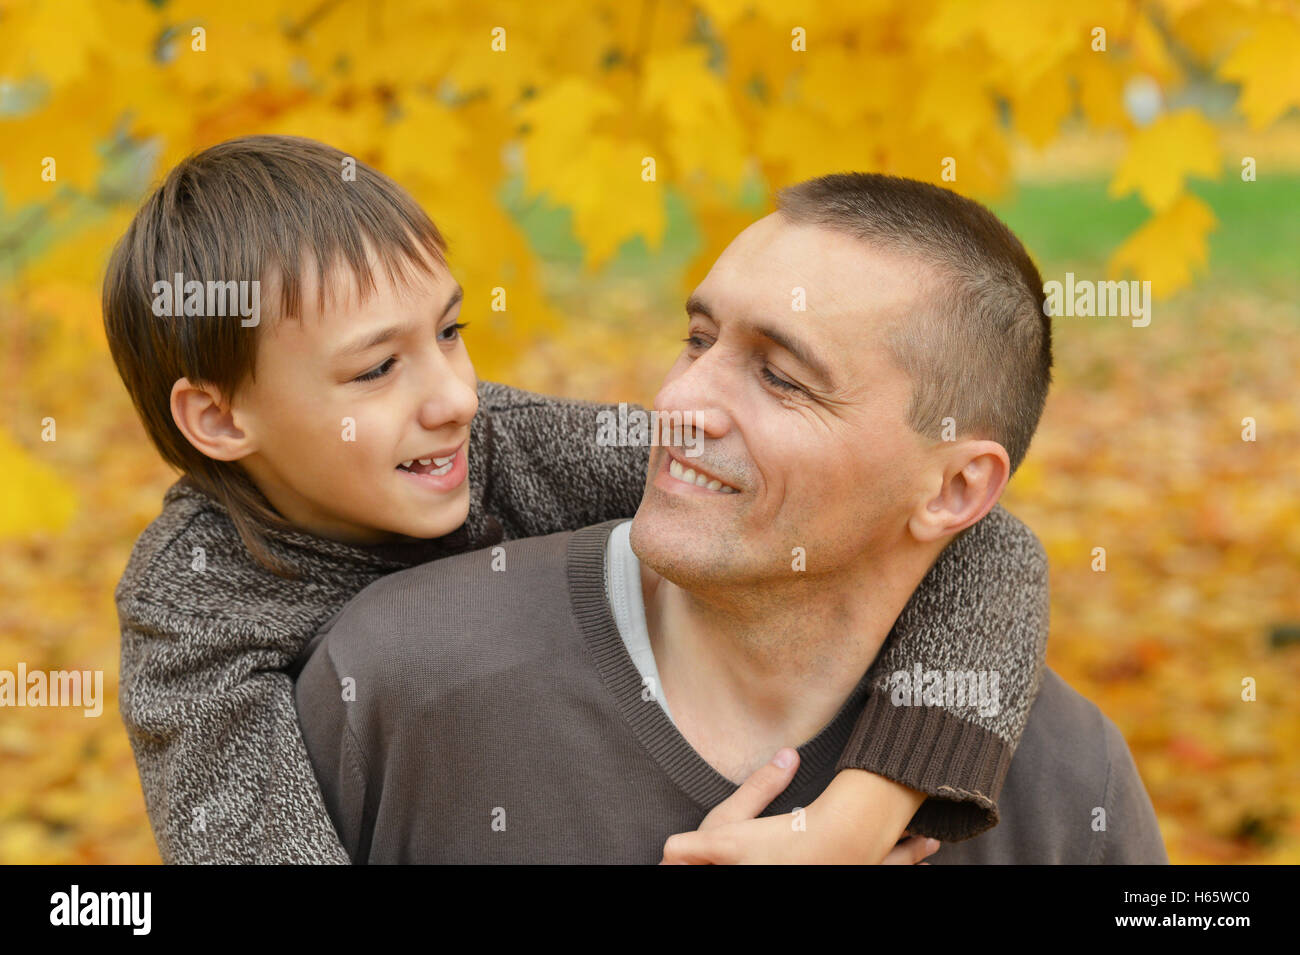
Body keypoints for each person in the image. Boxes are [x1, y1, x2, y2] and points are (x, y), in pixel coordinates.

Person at [105, 138, 1051, 864]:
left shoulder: (498, 446)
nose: (455, 397)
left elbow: (983, 543)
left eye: (451, 332)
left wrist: (858, 814)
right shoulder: (195, 610)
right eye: (379, 367)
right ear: (221, 420)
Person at [293, 173, 1167, 864]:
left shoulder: (1066, 784)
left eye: (782, 378)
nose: (678, 402)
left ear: (954, 492)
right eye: (699, 340)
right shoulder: (397, 681)